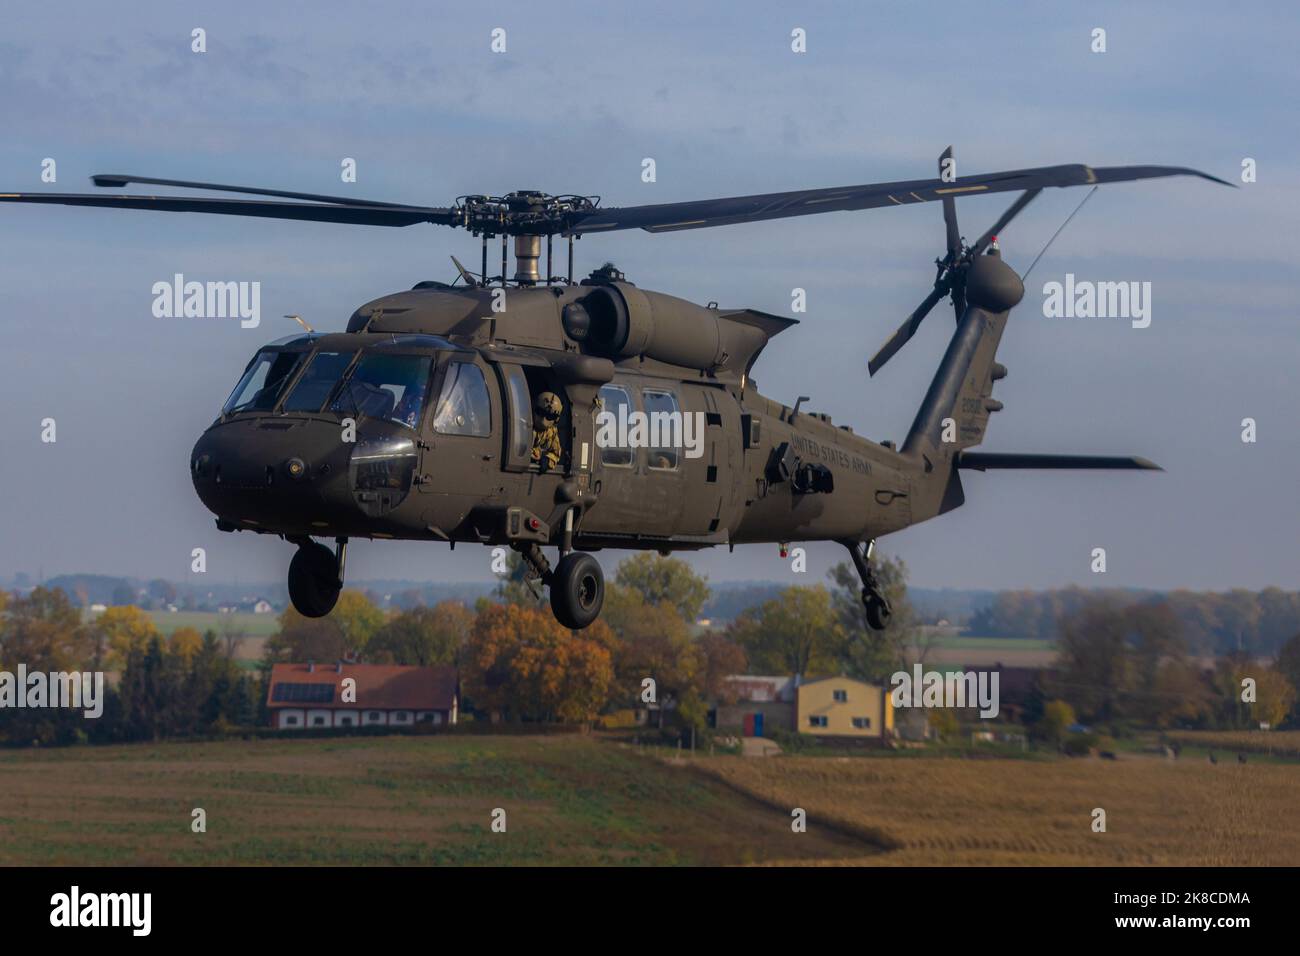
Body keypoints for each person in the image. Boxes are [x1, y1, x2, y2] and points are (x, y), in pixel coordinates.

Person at [531, 391, 563, 472]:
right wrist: (539, 453)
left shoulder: (551, 431)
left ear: (556, 419)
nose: (543, 419)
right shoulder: (525, 424)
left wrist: (548, 460)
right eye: (541, 412)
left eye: (550, 416)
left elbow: (556, 454)